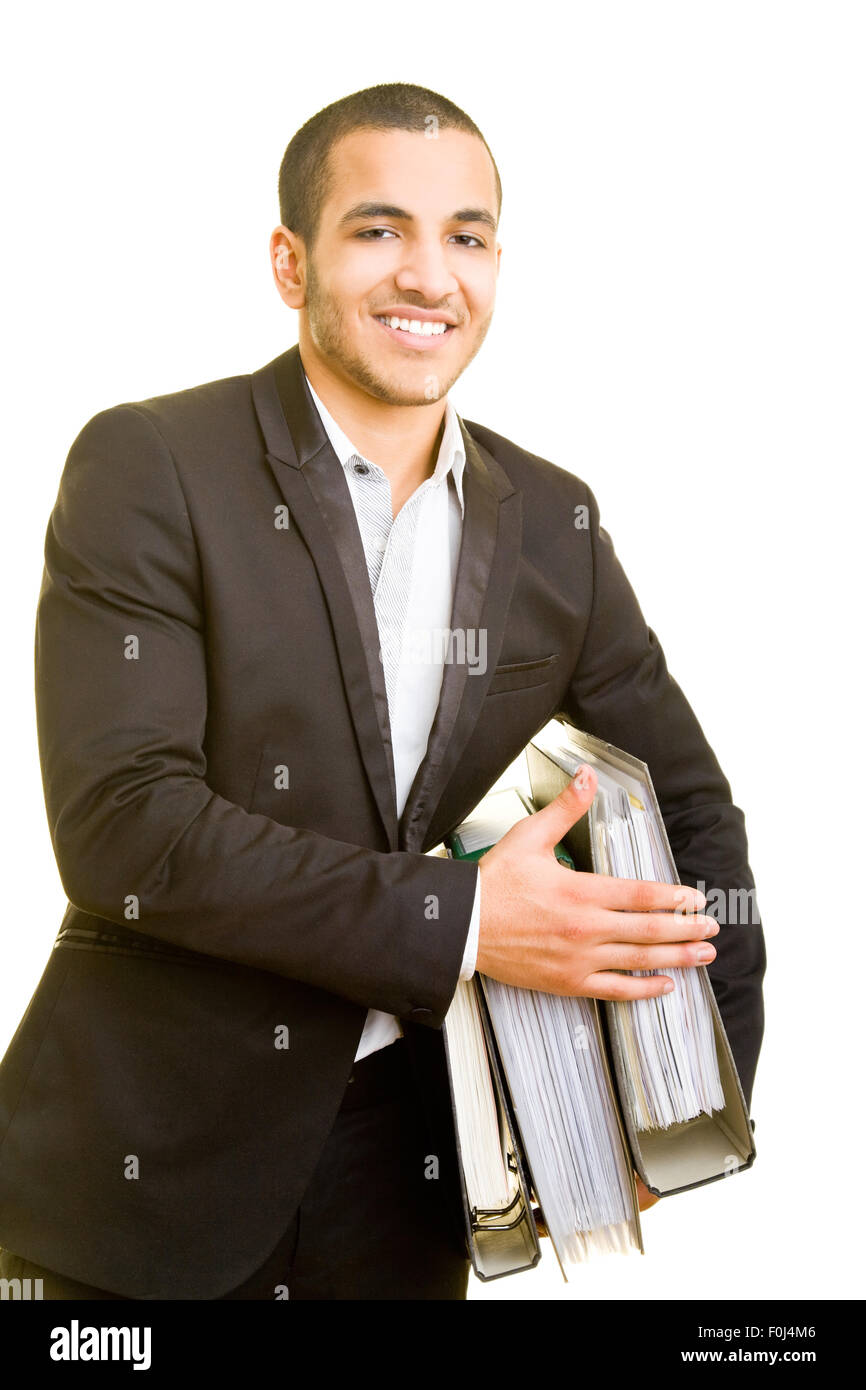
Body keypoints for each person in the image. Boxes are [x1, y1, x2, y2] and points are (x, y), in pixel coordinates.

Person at [0, 82, 765, 1301]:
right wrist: (460, 919)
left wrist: (682, 1096)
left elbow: (692, 810)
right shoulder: (150, 464)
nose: (428, 274)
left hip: (411, 1189)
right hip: (142, 1174)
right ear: (289, 260)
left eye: (464, 236)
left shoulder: (550, 520)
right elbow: (125, 827)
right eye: (378, 230)